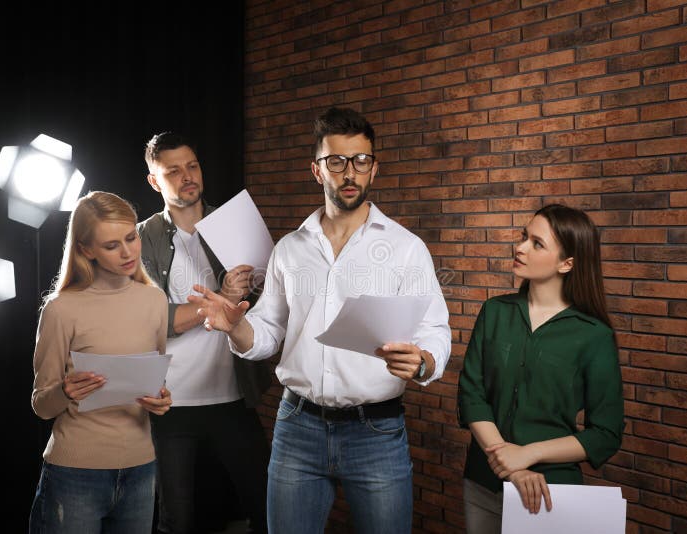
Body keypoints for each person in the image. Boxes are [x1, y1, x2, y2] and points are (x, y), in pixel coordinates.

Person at [189, 107, 451, 534]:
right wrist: (236, 325)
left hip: (377, 431)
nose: (350, 172)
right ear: (317, 170)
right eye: (336, 161)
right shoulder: (290, 249)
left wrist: (423, 361)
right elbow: (270, 333)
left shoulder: (407, 248)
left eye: (360, 161)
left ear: (374, 169)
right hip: (297, 429)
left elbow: (435, 331)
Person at [458, 204, 625, 533]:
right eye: (523, 237)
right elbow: (471, 394)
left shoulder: (593, 335)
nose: (519, 247)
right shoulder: (494, 312)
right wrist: (510, 463)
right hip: (482, 482)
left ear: (567, 263)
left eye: (537, 243)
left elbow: (605, 434)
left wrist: (528, 455)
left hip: (549, 494)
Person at [138, 132, 270, 534]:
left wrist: (247, 295)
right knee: (176, 521)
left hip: (234, 397)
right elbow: (150, 319)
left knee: (268, 506)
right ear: (155, 182)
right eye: (173, 171)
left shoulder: (235, 226)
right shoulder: (141, 238)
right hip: (170, 405)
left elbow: (271, 305)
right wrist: (218, 303)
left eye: (192, 166)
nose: (187, 176)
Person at [29, 191, 172, 533]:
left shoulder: (154, 300)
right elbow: (41, 405)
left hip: (141, 467)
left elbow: (156, 381)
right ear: (85, 249)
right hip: (75, 473)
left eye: (131, 237)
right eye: (111, 245)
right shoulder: (61, 309)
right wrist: (66, 391)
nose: (127, 252)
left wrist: (162, 400)